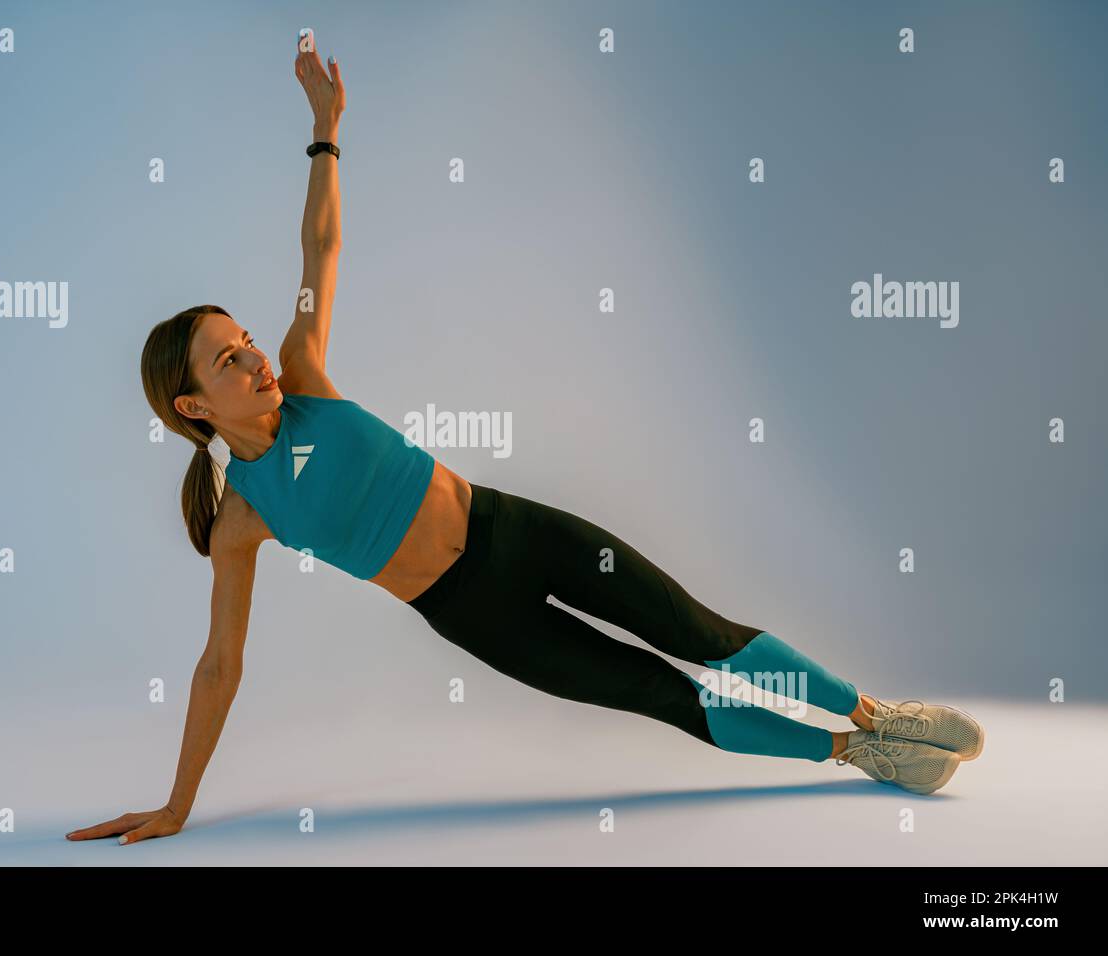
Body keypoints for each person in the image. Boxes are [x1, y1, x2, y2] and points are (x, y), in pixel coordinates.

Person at [67, 29, 983, 847]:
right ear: (195, 407)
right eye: (228, 361)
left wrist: (325, 128)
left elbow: (321, 249)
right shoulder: (241, 520)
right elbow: (220, 664)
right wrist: (177, 805)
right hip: (476, 615)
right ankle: (855, 751)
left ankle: (874, 710)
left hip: (518, 531)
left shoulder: (304, 371)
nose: (256, 358)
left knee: (701, 633)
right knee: (667, 698)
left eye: (245, 341)